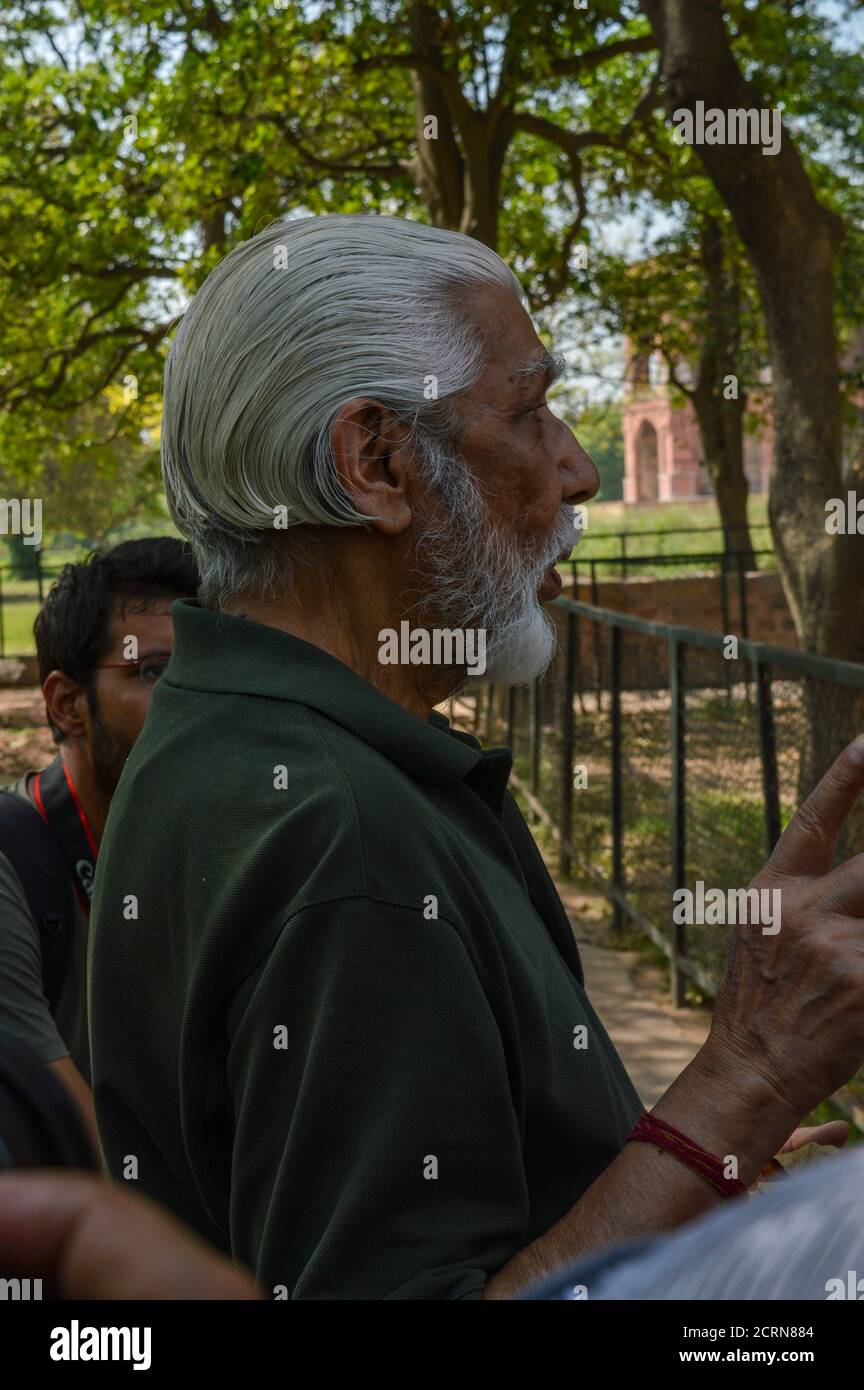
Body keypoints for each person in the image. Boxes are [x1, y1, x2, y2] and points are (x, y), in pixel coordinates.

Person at [88, 214, 864, 1300]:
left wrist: (712, 1196)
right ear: (378, 462)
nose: (580, 469)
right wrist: (753, 1071)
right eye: (530, 409)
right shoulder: (337, 831)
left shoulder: (238, 732)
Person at [0, 538, 198, 1148]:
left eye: (211, 671)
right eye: (158, 671)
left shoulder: (224, 856)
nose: (199, 702)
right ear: (67, 705)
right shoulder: (14, 861)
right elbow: (78, 1144)